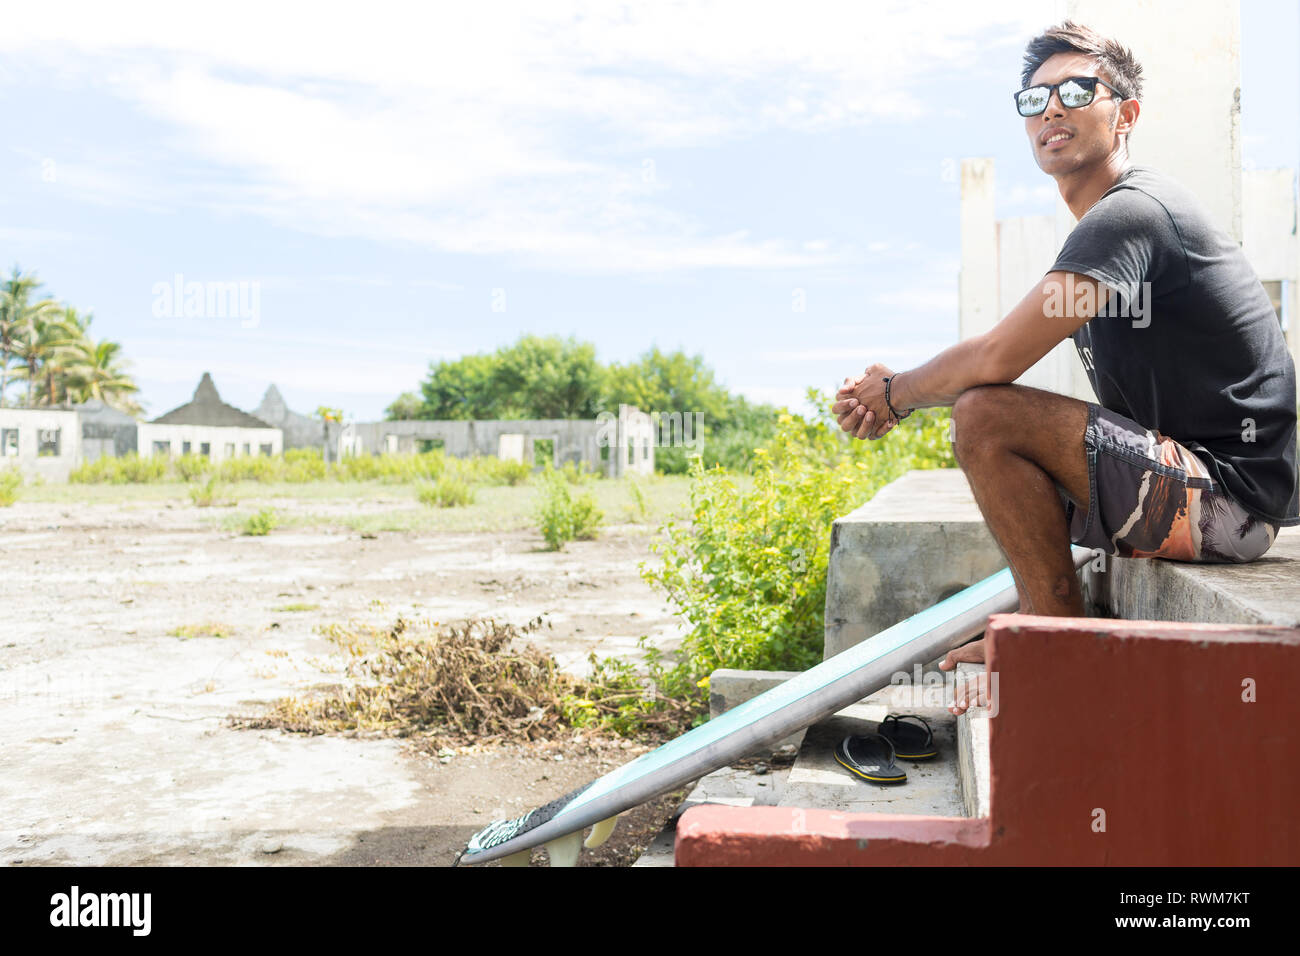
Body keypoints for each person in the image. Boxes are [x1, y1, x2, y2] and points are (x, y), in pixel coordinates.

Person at [831, 21, 1299, 714]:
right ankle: (1038, 616)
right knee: (1013, 432)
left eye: (1078, 90)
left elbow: (997, 357)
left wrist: (895, 393)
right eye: (1034, 99)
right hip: (1201, 485)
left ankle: (1052, 637)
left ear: (1126, 113)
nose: (1052, 108)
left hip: (1230, 499)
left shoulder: (1133, 215)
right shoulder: (1106, 229)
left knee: (986, 415)